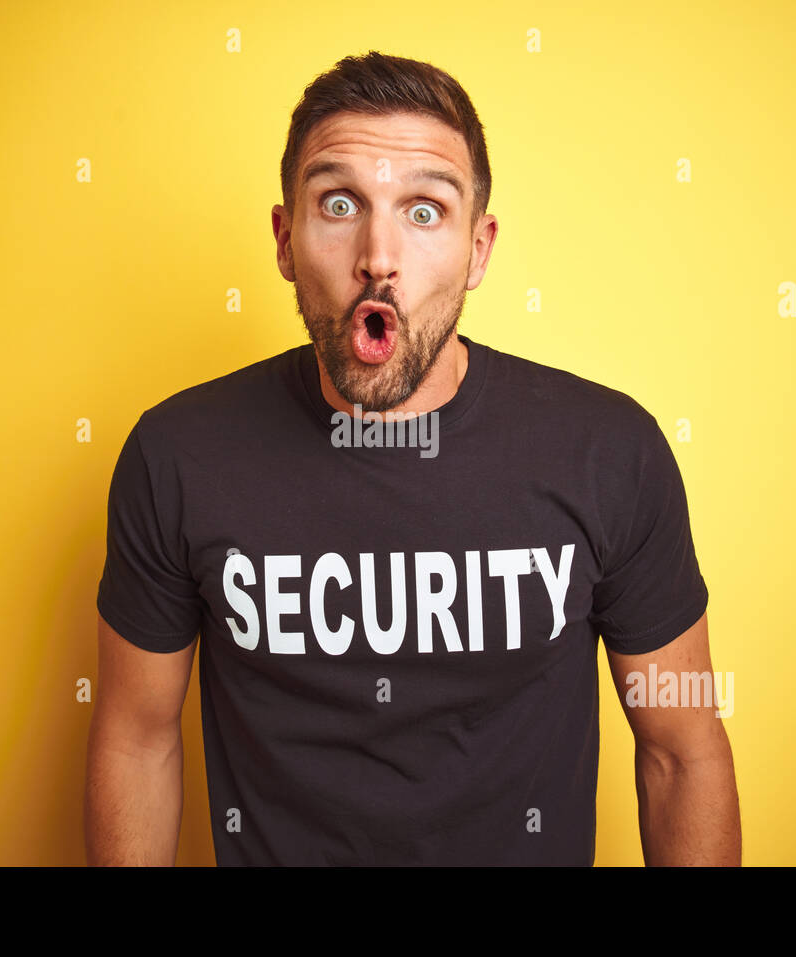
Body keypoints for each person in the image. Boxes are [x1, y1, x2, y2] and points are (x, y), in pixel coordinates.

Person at [84, 50, 740, 866]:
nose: (379, 255)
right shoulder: (177, 455)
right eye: (338, 203)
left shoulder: (609, 452)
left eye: (424, 210)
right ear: (286, 241)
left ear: (478, 249)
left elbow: (682, 753)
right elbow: (136, 742)